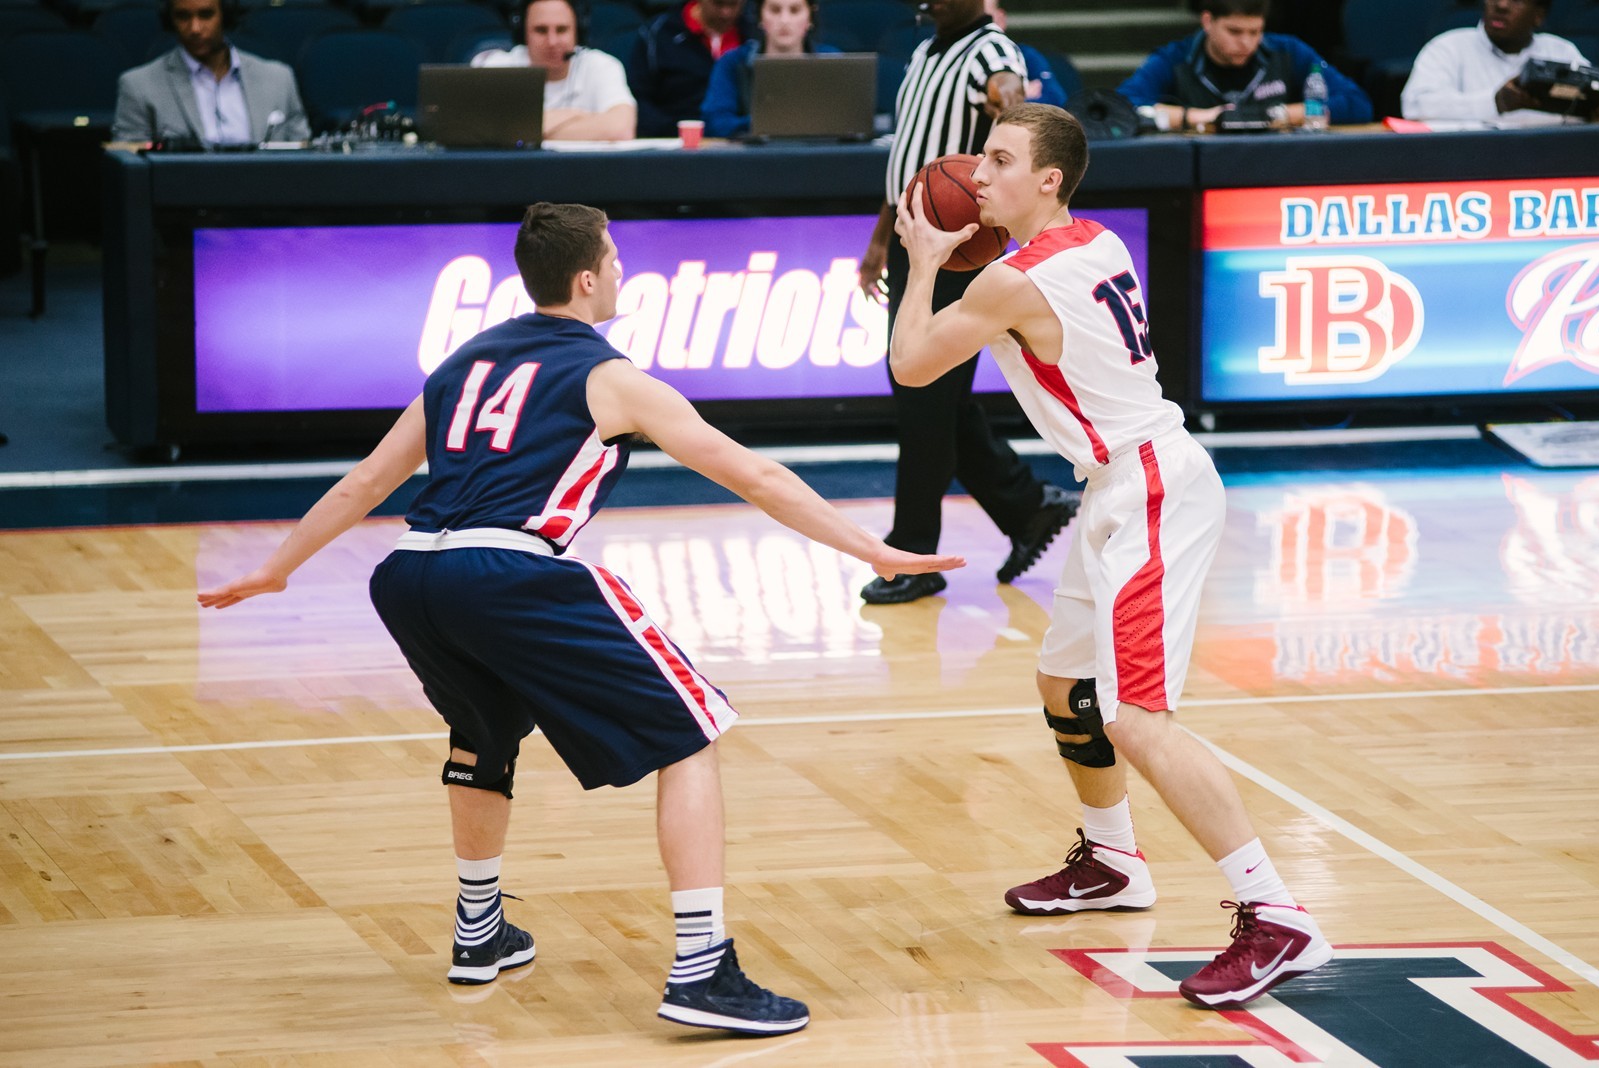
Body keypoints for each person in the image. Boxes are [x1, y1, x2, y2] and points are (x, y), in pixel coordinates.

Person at [198, 202, 962, 1034]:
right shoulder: (611, 376)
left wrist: (277, 569)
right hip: (505, 570)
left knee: (481, 735)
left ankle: (478, 928)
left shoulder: (461, 362)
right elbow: (755, 478)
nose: (624, 272)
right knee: (693, 734)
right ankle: (703, 970)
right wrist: (872, 549)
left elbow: (366, 485)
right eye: (616, 258)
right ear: (588, 279)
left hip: (410, 575)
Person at [890, 103, 1333, 1009]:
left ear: (1047, 180)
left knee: (1135, 718)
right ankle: (1114, 857)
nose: (977, 176)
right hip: (1117, 486)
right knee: (1064, 684)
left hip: (1152, 489)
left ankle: (1277, 910)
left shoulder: (1009, 283)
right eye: (979, 161)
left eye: (1000, 161)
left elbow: (910, 366)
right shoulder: (1095, 239)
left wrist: (926, 259)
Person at [857, 0, 1079, 606]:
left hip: (959, 244)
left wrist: (1008, 110)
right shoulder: (925, 50)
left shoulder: (993, 52)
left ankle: (914, 555)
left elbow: (1012, 106)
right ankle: (1027, 506)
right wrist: (883, 239)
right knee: (939, 396)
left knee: (923, 396)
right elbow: (908, 162)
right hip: (915, 237)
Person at [1117, 0, 1370, 133]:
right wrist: (1197, 117)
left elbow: (1358, 104)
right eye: (1235, 31)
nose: (1247, 42)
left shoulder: (1289, 51)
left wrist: (1281, 114)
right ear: (1208, 21)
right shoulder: (1174, 59)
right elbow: (1120, 108)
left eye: (1255, 31)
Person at [112, 0, 310, 144]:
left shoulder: (278, 78)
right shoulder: (138, 85)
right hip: (184, 196)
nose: (195, 28)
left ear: (225, 15)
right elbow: (132, 169)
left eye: (206, 15)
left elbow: (304, 157)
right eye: (183, 17)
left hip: (266, 194)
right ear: (170, 20)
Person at [1401, 0, 1595, 127]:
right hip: (1471, 167)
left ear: (1538, 16)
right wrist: (1496, 102)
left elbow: (1589, 105)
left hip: (1550, 165)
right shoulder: (1449, 46)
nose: (1501, 5)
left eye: (1516, 0)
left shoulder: (1561, 51)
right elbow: (1415, 107)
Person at [472, 0, 637, 141]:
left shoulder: (601, 66)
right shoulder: (498, 67)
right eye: (541, 30)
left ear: (577, 32)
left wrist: (521, 131)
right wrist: (577, 115)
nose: (552, 42)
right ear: (523, 34)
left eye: (562, 30)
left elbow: (620, 129)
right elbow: (481, 132)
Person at [700, 0, 837, 138]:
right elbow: (715, 123)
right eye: (775, 10)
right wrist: (772, 123)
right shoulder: (733, 62)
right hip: (752, 157)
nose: (784, 20)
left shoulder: (833, 61)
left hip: (818, 155)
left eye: (795, 10)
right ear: (760, 17)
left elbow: (852, 119)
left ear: (810, 18)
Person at [628, 0, 751, 138]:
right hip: (672, 143)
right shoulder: (658, 34)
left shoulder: (753, 37)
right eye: (718, 3)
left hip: (741, 140)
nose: (726, 12)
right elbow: (637, 98)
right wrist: (675, 131)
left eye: (733, 5)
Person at [984, 0, 1069, 107]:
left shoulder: (1025, 54)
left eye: (985, 20)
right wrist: (1020, 96)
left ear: (1000, 19)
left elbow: (1056, 101)